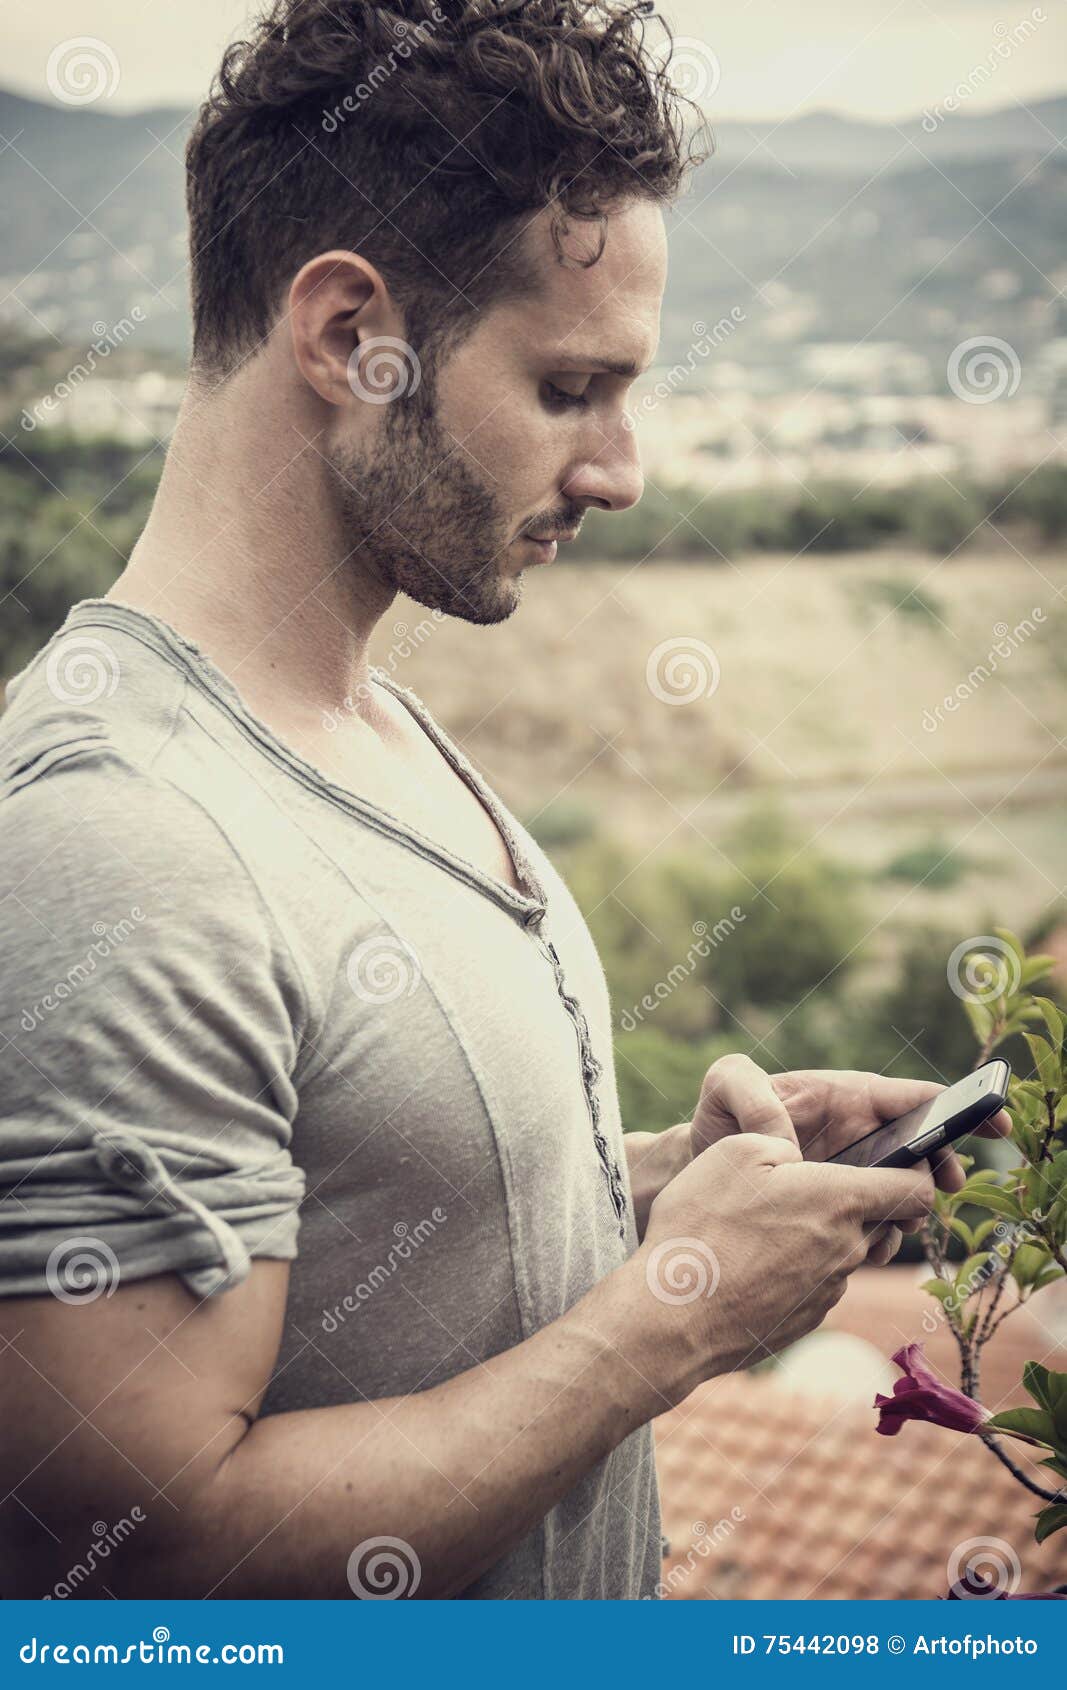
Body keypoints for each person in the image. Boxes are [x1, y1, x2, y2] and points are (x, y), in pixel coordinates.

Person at [0, 0, 1003, 1600]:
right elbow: (152, 1551)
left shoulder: (375, 728)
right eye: (569, 388)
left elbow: (351, 1238)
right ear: (350, 337)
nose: (622, 470)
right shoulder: (117, 836)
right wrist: (678, 1308)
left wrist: (661, 1187)